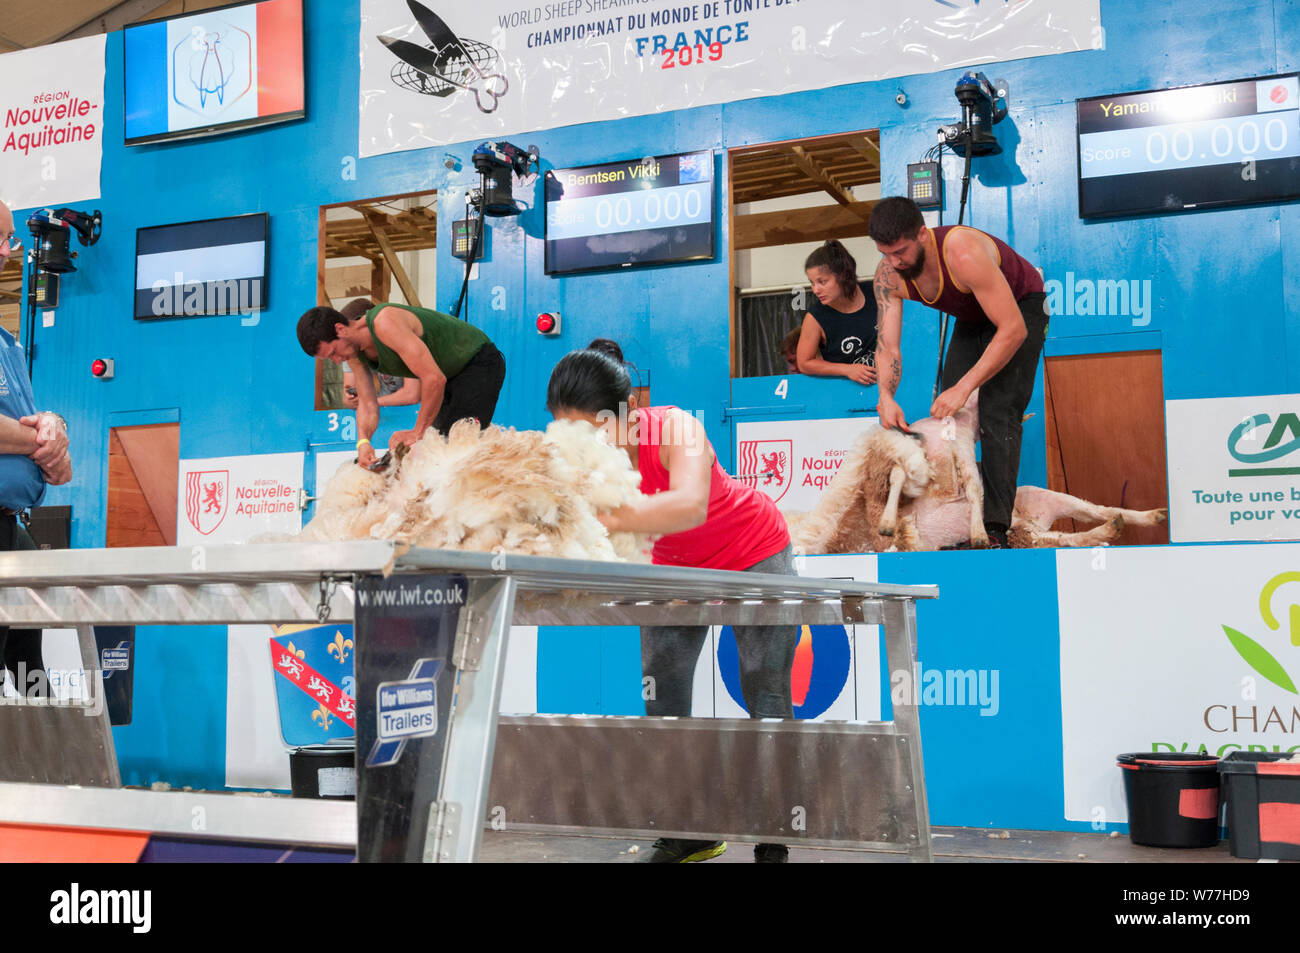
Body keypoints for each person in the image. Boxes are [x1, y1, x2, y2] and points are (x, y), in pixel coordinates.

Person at [547, 341, 797, 864]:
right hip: (675, 570)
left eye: (595, 430)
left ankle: (775, 834)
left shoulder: (676, 429)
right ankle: (689, 830)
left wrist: (607, 517)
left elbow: (688, 505)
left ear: (628, 413)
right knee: (663, 694)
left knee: (765, 687)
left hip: (752, 552)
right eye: (571, 430)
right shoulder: (575, 458)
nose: (585, 443)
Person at [868, 196, 1048, 548]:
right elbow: (888, 345)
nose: (893, 262)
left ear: (922, 234)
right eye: (885, 253)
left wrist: (964, 387)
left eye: (900, 252)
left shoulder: (962, 252)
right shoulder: (888, 274)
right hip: (973, 314)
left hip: (1021, 308)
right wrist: (885, 396)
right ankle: (963, 519)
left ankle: (996, 529)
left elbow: (1012, 330)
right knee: (953, 422)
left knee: (998, 409)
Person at [0, 199, 73, 696]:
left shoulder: (7, 343)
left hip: (10, 525)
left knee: (30, 666)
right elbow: (26, 435)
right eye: (3, 239)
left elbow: (34, 416)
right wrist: (39, 442)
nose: (10, 252)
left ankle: (49, 768)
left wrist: (55, 430)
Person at [297, 299, 506, 468]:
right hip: (450, 374)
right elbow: (368, 405)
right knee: (435, 451)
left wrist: (417, 432)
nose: (337, 360)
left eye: (333, 352)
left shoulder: (385, 322)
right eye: (330, 358)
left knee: (453, 452)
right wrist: (363, 442)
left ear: (340, 329)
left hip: (477, 363)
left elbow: (433, 379)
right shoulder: (353, 352)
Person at [795, 240, 878, 384]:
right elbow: (804, 363)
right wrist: (847, 370)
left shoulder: (876, 291)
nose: (816, 290)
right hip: (847, 390)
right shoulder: (815, 317)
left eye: (822, 282)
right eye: (812, 283)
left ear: (843, 275)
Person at [336, 299, 420, 411]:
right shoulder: (351, 347)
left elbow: (412, 395)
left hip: (416, 410)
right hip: (386, 408)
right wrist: (351, 400)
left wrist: (371, 402)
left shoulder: (399, 338)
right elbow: (347, 397)